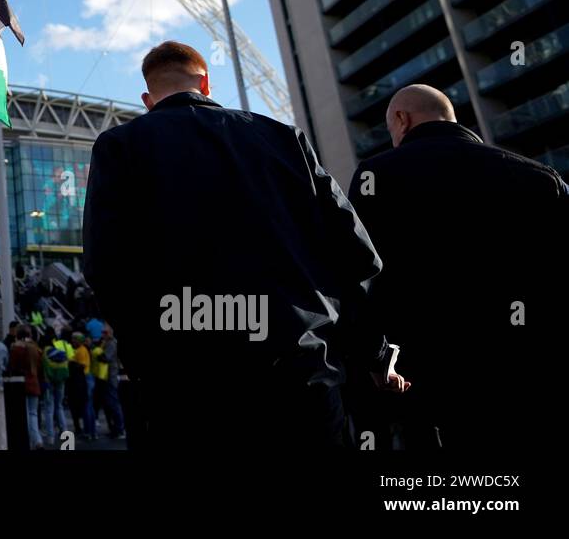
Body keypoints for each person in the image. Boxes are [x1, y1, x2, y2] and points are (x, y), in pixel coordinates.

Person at [83, 41, 406, 451]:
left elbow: (104, 265)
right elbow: (356, 252)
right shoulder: (284, 138)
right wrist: (374, 355)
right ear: (206, 82)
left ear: (147, 99)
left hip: (183, 384)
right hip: (297, 368)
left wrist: (147, 360)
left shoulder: (119, 146)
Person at [351, 84, 567, 451]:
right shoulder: (541, 179)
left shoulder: (377, 176)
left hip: (429, 380)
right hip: (532, 373)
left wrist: (376, 357)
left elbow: (357, 275)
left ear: (402, 120)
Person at [7, 325, 44, 449]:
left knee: (24, 415)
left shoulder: (15, 349)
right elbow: (39, 366)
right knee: (33, 413)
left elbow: (12, 367)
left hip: (20, 385)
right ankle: (37, 440)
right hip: (34, 383)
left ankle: (31, 440)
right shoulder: (36, 348)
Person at [93, 324, 125, 440]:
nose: (103, 334)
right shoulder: (105, 343)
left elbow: (105, 358)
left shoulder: (111, 343)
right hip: (104, 376)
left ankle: (119, 429)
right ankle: (114, 428)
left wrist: (96, 352)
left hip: (110, 376)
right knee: (108, 404)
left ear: (110, 333)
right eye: (102, 332)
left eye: (105, 332)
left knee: (114, 403)